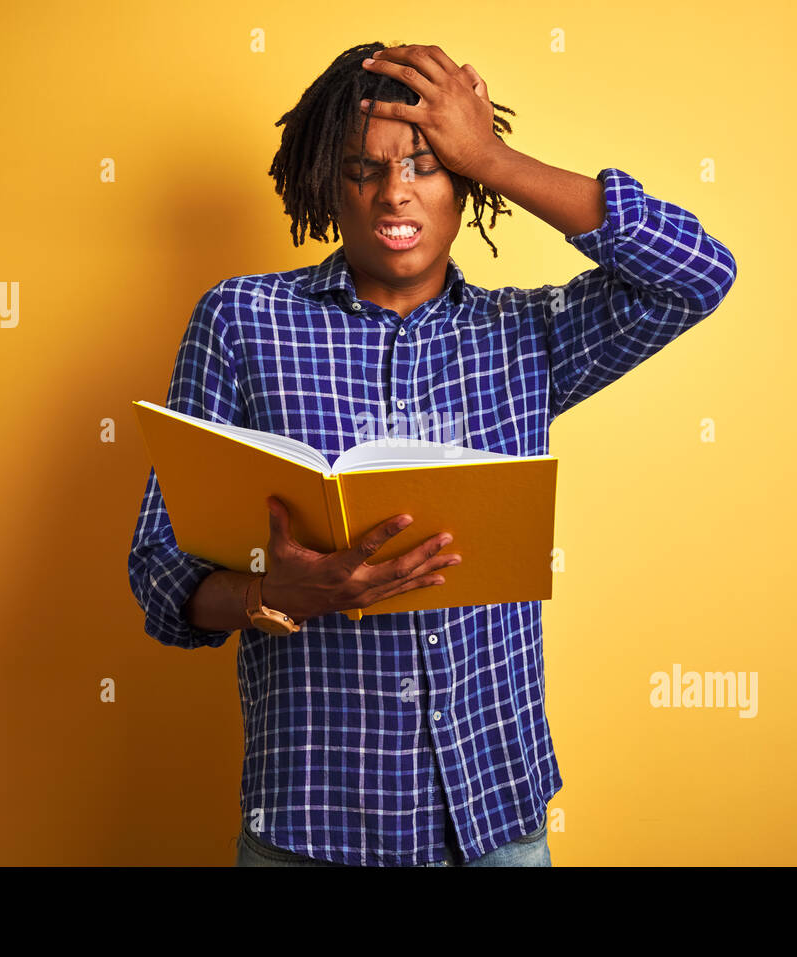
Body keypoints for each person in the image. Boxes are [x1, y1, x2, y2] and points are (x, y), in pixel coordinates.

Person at [128, 41, 737, 867]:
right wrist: (274, 593)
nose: (394, 193)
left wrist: (493, 153)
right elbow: (160, 574)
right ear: (326, 185)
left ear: (464, 187)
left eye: (426, 163)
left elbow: (697, 274)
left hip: (493, 821)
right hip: (314, 824)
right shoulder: (243, 322)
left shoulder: (528, 335)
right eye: (362, 170)